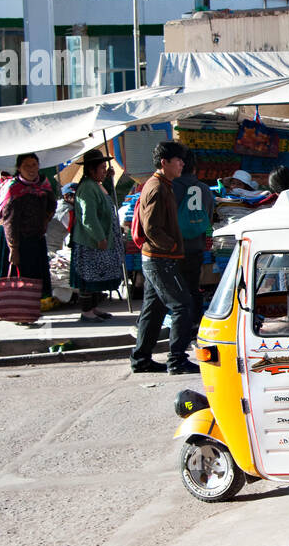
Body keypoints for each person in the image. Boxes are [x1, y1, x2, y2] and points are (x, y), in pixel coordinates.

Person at [131, 141, 196, 376]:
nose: (182, 164)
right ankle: (177, 360)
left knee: (154, 309)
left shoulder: (163, 184)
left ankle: (141, 359)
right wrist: (172, 246)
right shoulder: (157, 187)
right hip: (159, 258)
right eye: (177, 160)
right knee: (182, 305)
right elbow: (151, 228)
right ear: (164, 163)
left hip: (155, 257)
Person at [0, 152, 58, 310]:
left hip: (35, 239)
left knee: (34, 276)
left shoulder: (43, 185)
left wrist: (43, 221)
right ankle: (17, 311)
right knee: (17, 277)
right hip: (14, 239)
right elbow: (9, 221)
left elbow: (52, 205)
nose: (31, 169)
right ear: (19, 168)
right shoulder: (13, 189)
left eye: (34, 165)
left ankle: (30, 309)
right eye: (26, 166)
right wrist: (13, 249)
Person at [70, 149, 124, 323]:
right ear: (91, 170)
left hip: (102, 240)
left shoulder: (96, 185)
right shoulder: (87, 188)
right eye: (101, 168)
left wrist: (109, 179)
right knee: (89, 276)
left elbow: (106, 200)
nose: (103, 170)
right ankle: (86, 310)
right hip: (91, 242)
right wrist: (99, 237)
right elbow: (89, 217)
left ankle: (93, 307)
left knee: (98, 274)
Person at [174, 151, 216, 328]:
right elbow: (209, 218)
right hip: (196, 246)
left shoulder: (170, 187)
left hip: (175, 247)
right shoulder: (204, 189)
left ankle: (179, 325)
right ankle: (196, 323)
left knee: (176, 290)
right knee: (193, 287)